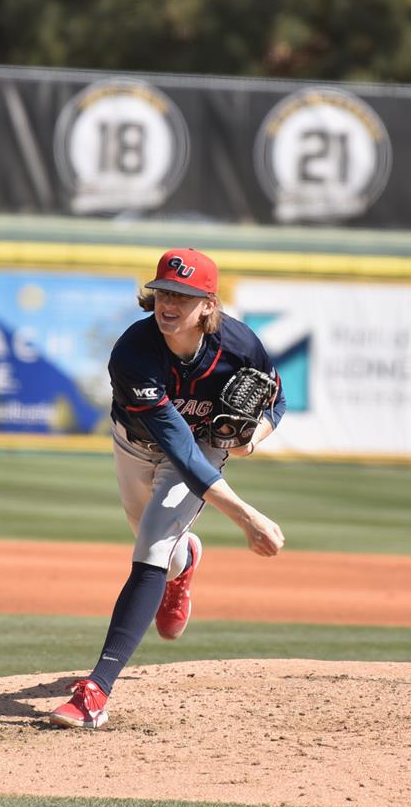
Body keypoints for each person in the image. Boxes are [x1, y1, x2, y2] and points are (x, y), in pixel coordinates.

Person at [48, 247, 288, 729]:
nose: (169, 303)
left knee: (151, 545)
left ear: (208, 305)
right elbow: (176, 447)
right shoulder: (134, 352)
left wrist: (251, 441)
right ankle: (187, 563)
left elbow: (275, 401)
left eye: (184, 295)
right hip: (138, 445)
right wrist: (247, 517)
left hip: (203, 447)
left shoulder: (241, 346)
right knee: (152, 536)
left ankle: (96, 691)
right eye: (163, 292)